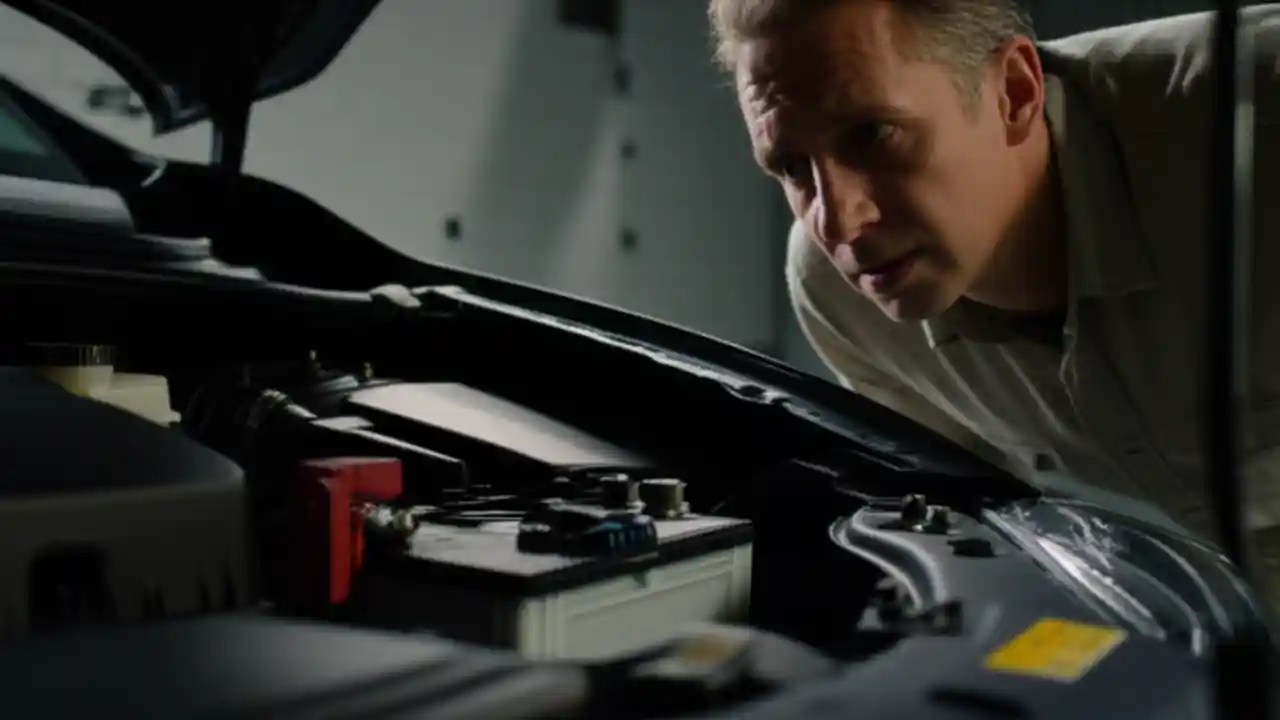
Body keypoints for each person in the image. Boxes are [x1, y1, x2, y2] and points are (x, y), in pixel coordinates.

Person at [711, 0, 1280, 606]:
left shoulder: (1258, 123)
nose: (842, 222)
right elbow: (980, 533)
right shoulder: (839, 301)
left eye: (873, 134)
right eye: (792, 167)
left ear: (1013, 92)